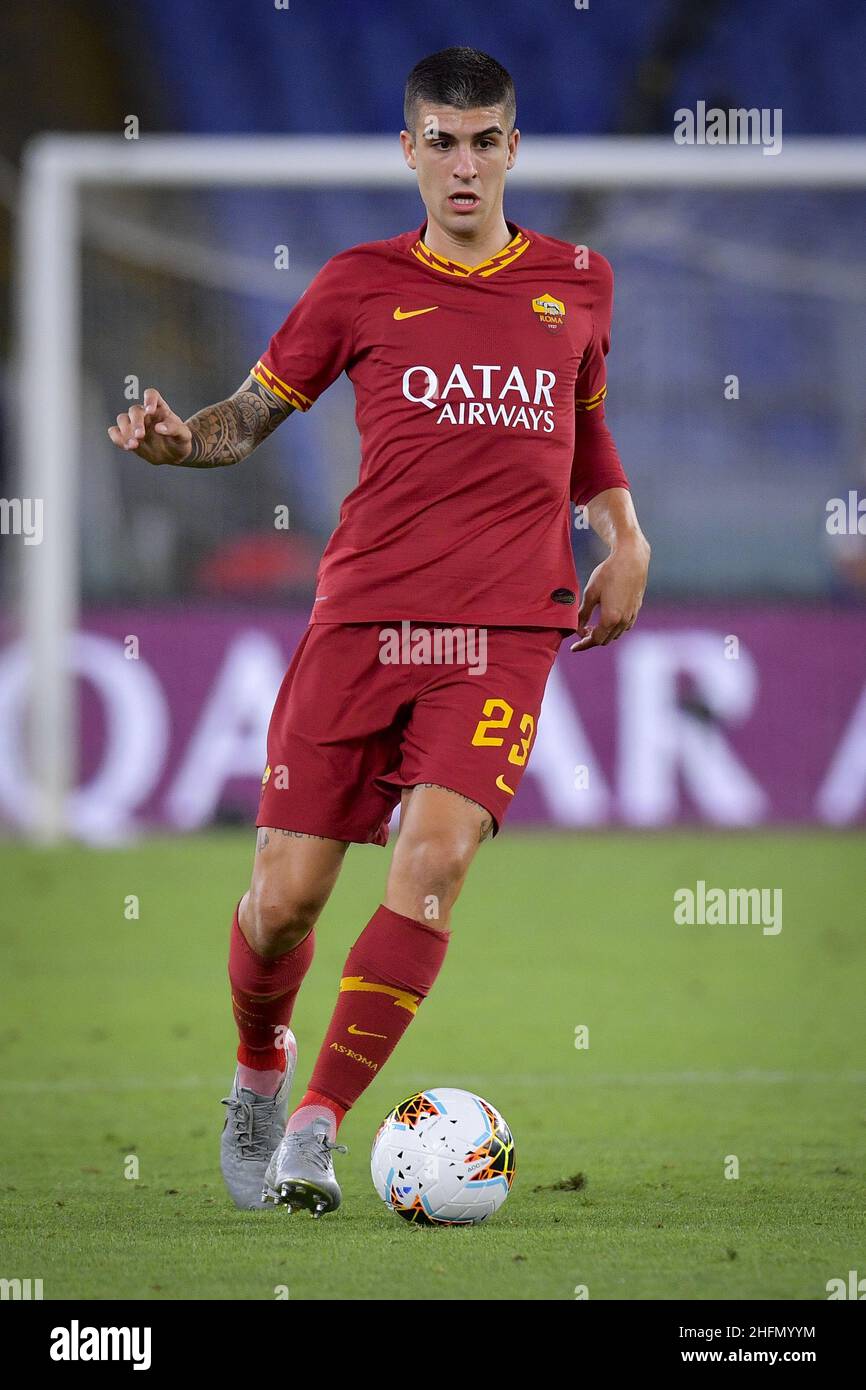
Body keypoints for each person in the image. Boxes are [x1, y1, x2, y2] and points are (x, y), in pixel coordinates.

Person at [108, 46, 650, 1218]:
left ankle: (316, 1128)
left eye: (485, 140)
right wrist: (172, 441)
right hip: (363, 618)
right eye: (441, 142)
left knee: (436, 857)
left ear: (515, 148)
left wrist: (623, 530)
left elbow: (585, 424)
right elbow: (245, 418)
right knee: (284, 899)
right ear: (408, 150)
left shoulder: (577, 281)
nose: (463, 165)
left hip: (504, 626)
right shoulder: (357, 283)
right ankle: (262, 1065)